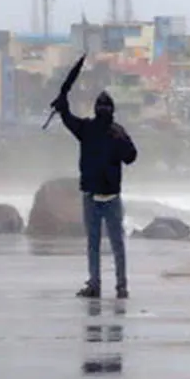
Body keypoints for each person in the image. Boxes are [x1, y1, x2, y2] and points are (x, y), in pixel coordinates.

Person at [52, 90, 138, 299]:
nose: (103, 110)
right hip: (99, 196)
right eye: (102, 107)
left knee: (97, 245)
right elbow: (132, 157)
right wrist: (63, 106)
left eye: (104, 107)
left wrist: (63, 107)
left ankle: (101, 285)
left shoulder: (91, 129)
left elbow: (130, 156)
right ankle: (117, 286)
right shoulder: (104, 130)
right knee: (112, 245)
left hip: (100, 196)